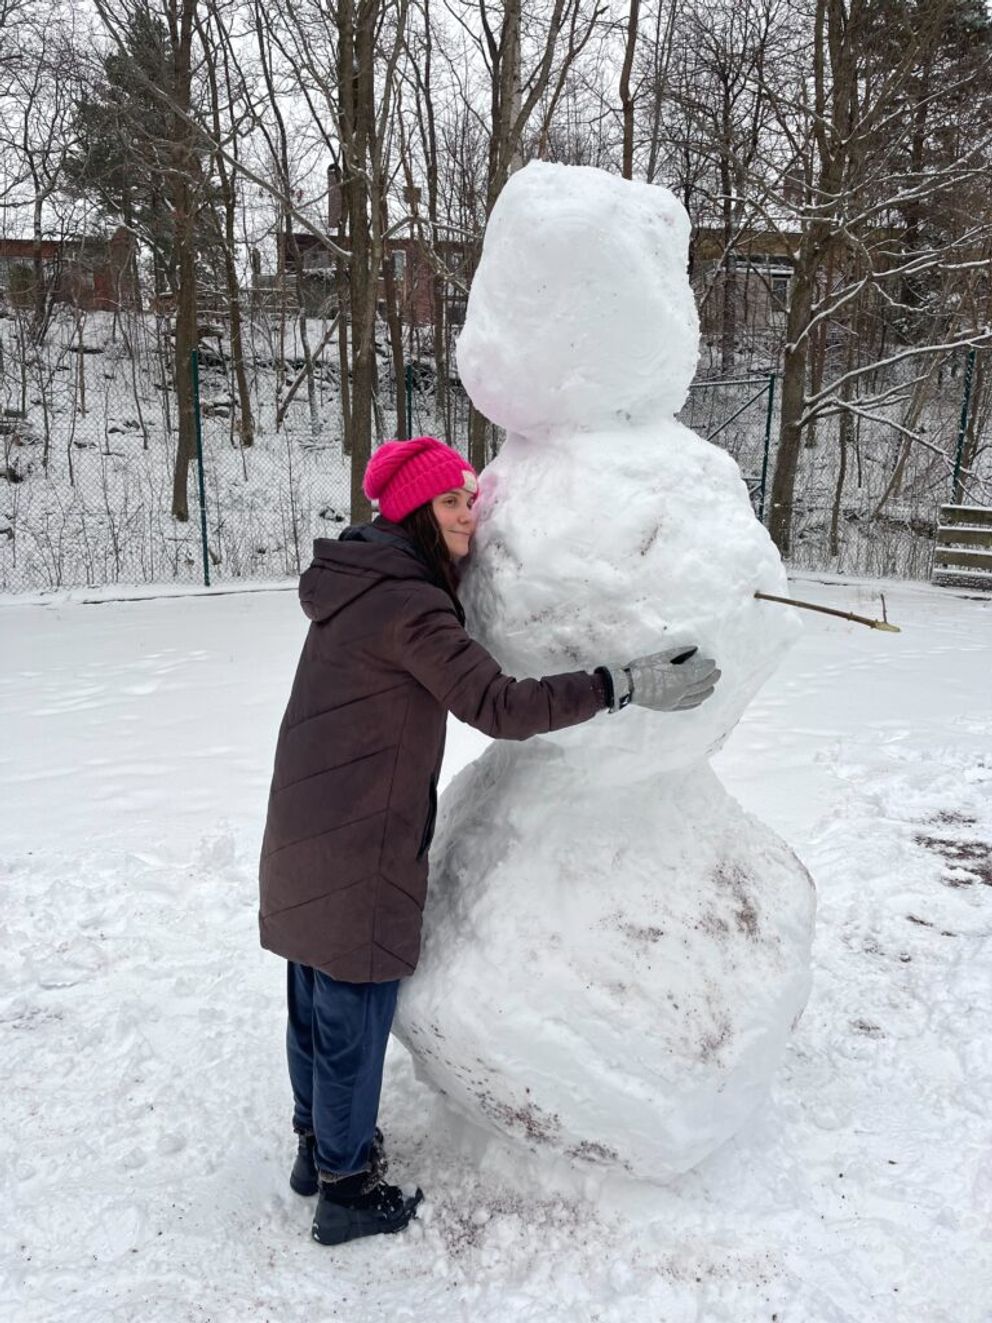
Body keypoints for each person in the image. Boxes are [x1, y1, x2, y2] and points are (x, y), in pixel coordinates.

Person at [258, 435, 720, 1247]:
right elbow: (496, 705)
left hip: (309, 822)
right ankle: (346, 1189)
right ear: (413, 514)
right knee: (354, 1009)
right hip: (358, 836)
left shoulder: (360, 584)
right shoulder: (409, 602)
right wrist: (626, 681)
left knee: (315, 993)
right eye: (452, 502)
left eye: (470, 498)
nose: (470, 514)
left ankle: (318, 1151)